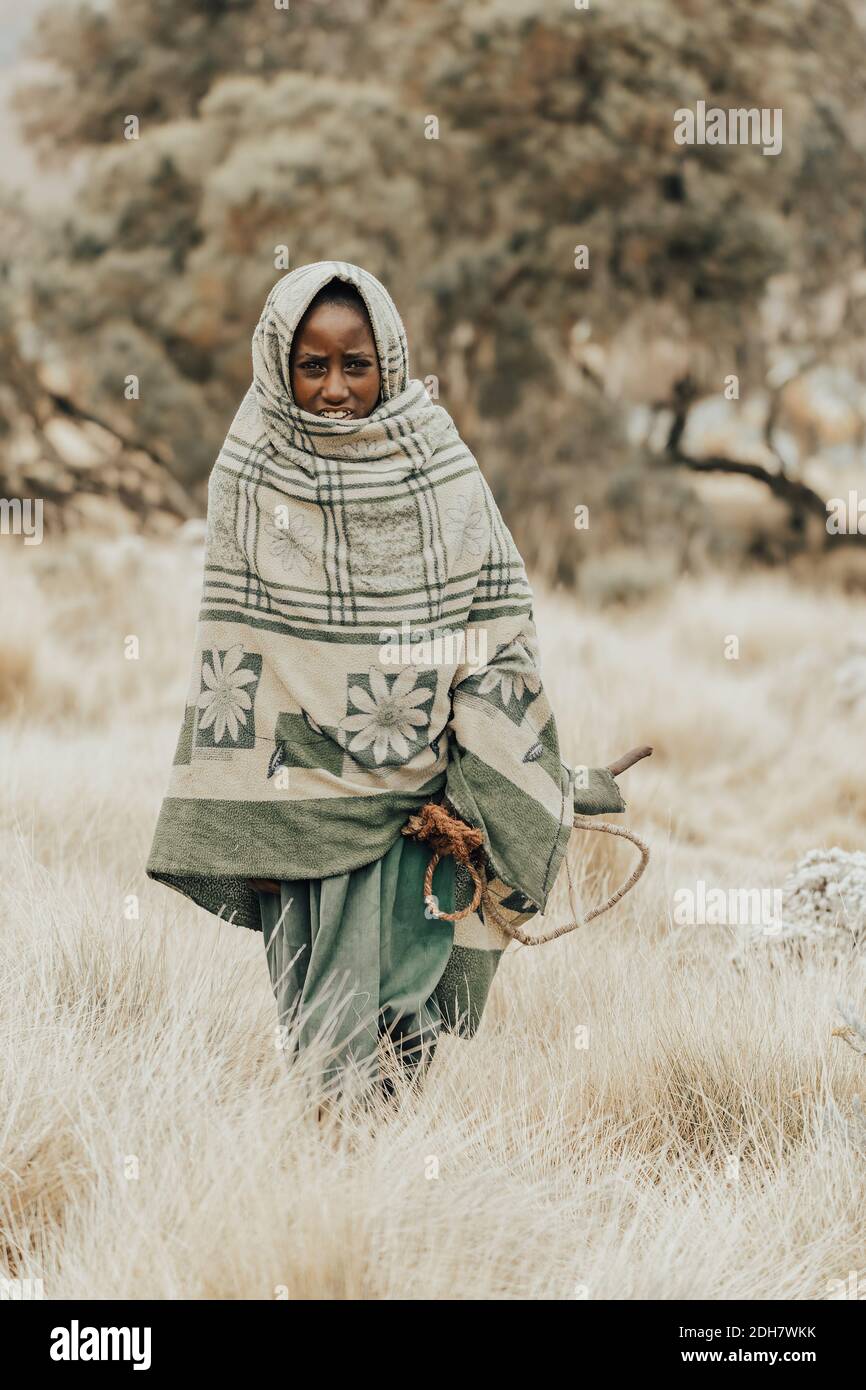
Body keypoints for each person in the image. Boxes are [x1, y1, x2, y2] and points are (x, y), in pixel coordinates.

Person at [145, 260, 650, 1113]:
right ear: (279, 365)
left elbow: (498, 630)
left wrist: (504, 775)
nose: (336, 388)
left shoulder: (443, 468)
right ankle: (335, 1195)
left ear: (392, 361)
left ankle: (383, 1188)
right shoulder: (249, 473)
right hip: (299, 805)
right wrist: (248, 830)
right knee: (323, 1032)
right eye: (313, 365)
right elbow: (233, 657)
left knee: (404, 1024)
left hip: (421, 806)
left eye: (357, 363)